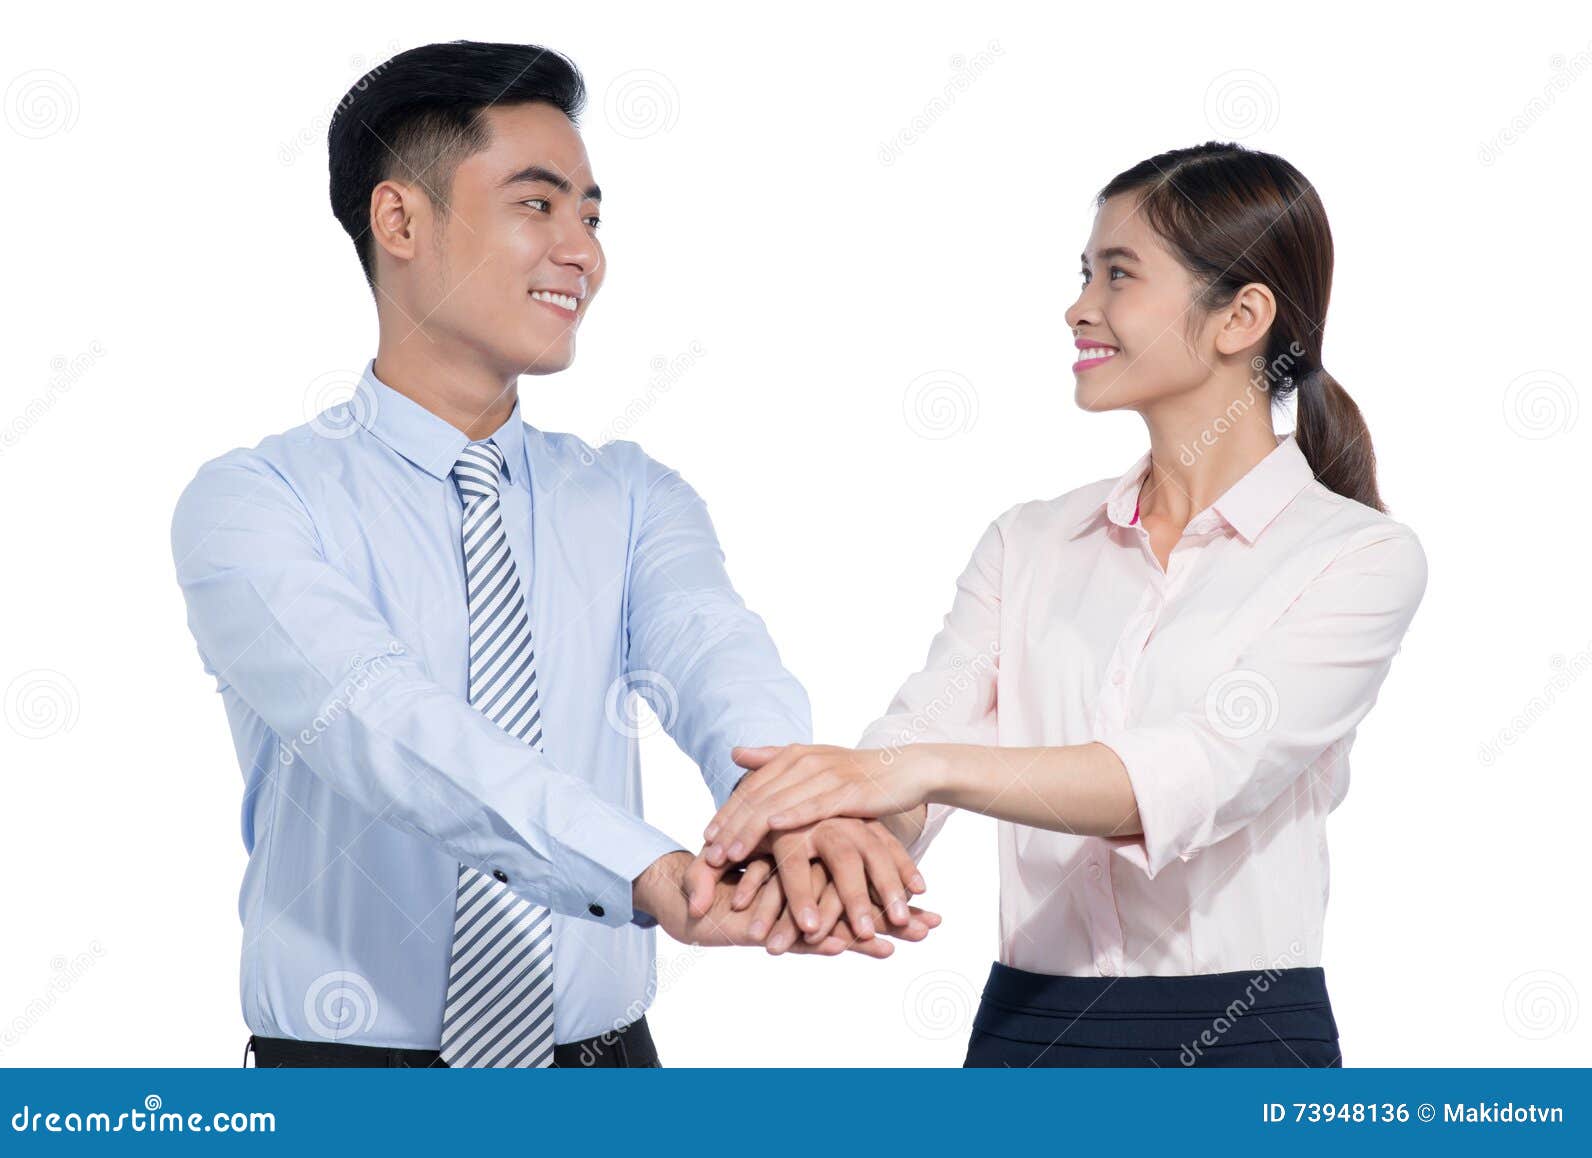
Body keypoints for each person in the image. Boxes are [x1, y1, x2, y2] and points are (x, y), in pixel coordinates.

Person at [169, 40, 936, 1071]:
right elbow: (390, 727)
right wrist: (645, 870)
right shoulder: (254, 505)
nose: (582, 251)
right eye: (537, 205)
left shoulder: (626, 494)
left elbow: (717, 658)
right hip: (350, 1084)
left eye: (592, 214)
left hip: (606, 1067)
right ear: (400, 220)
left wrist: (795, 814)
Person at [702, 142, 1429, 1067]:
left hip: (1245, 1042)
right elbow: (914, 735)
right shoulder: (1030, 542)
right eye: (1085, 272)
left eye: (1118, 276)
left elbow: (1197, 772)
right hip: (1028, 1037)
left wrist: (912, 771)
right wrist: (842, 845)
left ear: (1241, 316)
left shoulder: (1357, 556)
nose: (1078, 307)